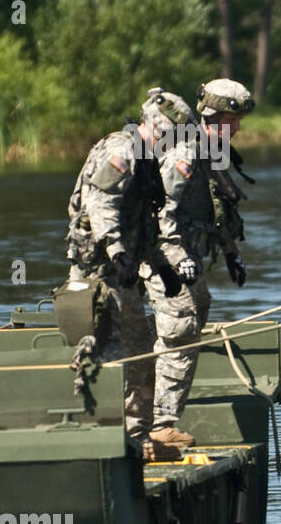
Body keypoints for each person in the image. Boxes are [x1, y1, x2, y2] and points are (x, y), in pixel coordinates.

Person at [62, 88, 193, 459]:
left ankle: (136, 437)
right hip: (100, 274)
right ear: (162, 129)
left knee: (135, 355)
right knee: (130, 357)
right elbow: (100, 204)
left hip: (120, 274)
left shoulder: (145, 159)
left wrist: (162, 267)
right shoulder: (123, 151)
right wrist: (118, 254)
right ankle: (133, 440)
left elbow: (143, 225)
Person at [147, 78, 254, 446]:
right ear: (215, 116)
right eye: (232, 119)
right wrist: (177, 259)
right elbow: (162, 213)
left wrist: (231, 254)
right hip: (162, 258)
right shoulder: (185, 154)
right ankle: (159, 425)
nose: (238, 127)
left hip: (187, 255)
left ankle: (156, 419)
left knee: (193, 314)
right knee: (181, 324)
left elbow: (219, 207)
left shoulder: (212, 150)